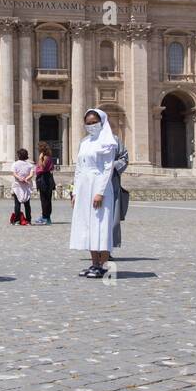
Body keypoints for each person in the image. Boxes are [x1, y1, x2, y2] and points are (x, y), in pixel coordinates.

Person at [68, 109, 118, 278]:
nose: (90, 126)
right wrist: (75, 192)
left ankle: (104, 265)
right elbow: (79, 168)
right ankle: (94, 264)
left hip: (99, 186)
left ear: (102, 122)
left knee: (101, 226)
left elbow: (107, 168)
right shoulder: (84, 142)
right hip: (84, 186)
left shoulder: (107, 142)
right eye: (88, 123)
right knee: (88, 225)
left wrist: (100, 192)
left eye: (93, 122)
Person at [10, 149, 34, 225]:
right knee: (27, 205)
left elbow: (14, 173)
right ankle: (29, 220)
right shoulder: (30, 165)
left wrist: (20, 178)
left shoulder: (15, 164)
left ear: (18, 155)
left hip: (18, 185)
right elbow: (31, 174)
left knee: (17, 204)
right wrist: (26, 178)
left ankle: (17, 220)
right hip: (26, 186)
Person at [33, 142, 56, 224]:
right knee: (47, 199)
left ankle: (45, 217)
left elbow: (42, 167)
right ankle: (47, 217)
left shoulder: (45, 157)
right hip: (46, 178)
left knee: (44, 199)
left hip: (44, 178)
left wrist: (40, 158)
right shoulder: (48, 157)